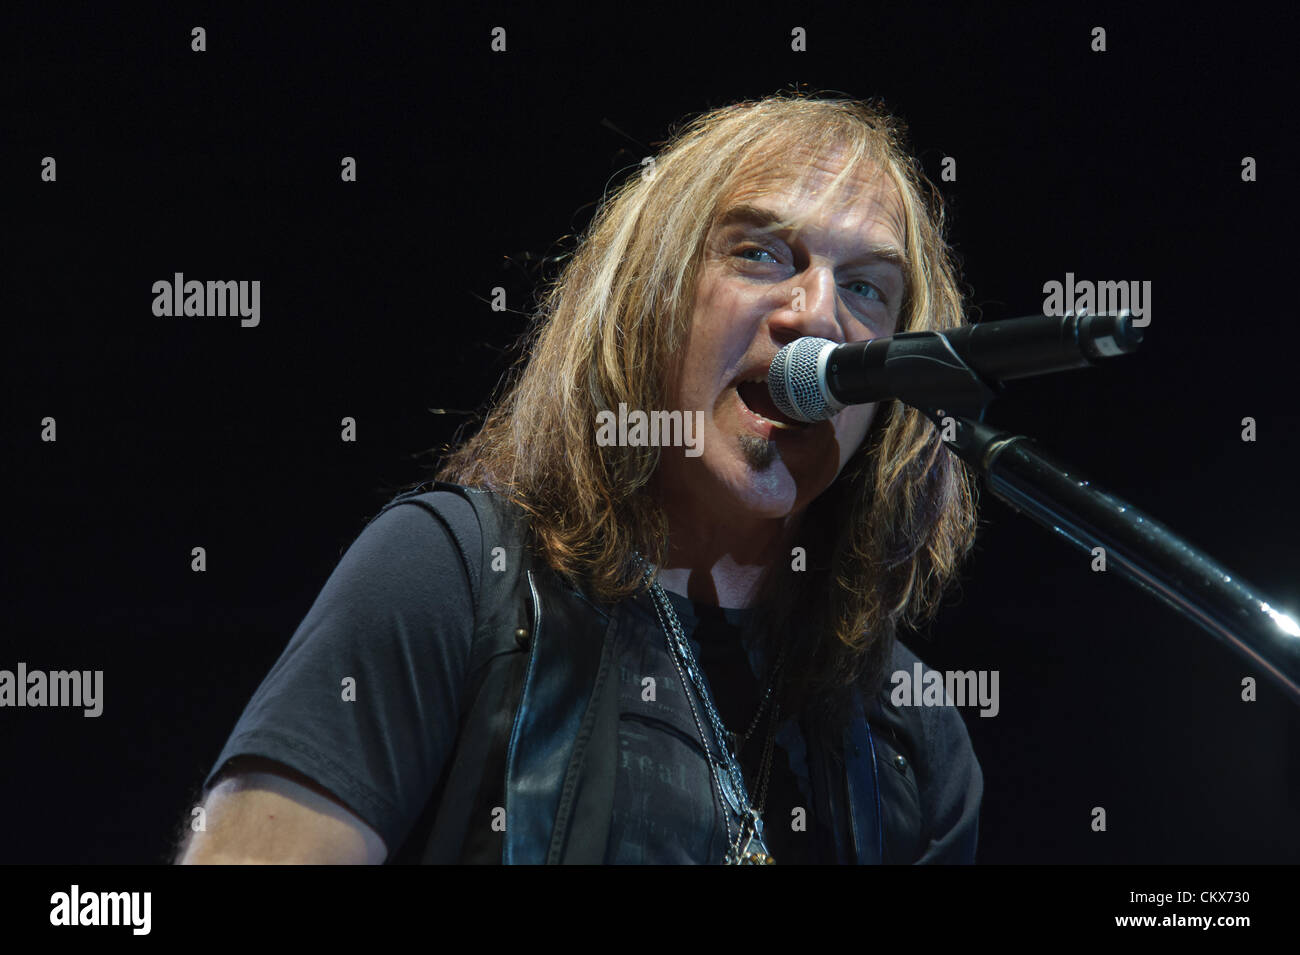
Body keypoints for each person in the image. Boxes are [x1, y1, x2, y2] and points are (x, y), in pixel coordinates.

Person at [175, 93, 982, 865]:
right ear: (650, 298)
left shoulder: (906, 728)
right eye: (761, 252)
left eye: (867, 287)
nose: (817, 315)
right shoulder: (453, 577)